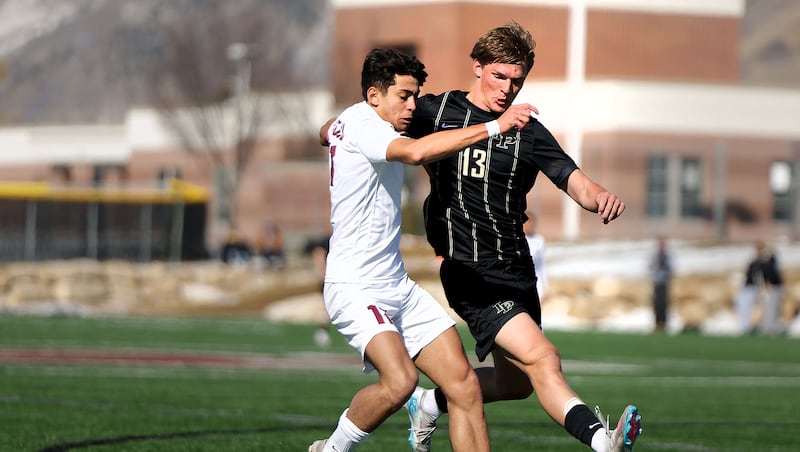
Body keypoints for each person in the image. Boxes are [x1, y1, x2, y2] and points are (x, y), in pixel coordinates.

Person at [403, 22, 642, 452]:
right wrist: (336, 129)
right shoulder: (436, 113)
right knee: (544, 357)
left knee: (516, 384)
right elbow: (377, 122)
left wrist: (599, 195)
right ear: (477, 66)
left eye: (517, 80)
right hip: (470, 272)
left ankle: (428, 402)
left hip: (516, 270)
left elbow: (572, 179)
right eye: (499, 76)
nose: (507, 89)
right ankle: (602, 441)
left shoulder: (527, 131)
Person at [308, 48, 537, 452]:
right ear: (374, 95)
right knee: (400, 382)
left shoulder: (356, 121)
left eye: (415, 95)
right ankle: (332, 449)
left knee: (464, 384)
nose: (413, 105)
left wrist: (330, 130)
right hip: (355, 288)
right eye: (404, 96)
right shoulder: (367, 126)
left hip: (396, 285)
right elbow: (415, 153)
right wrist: (494, 127)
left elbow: (327, 130)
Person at [735, 241, 784, 335]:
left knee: (771, 309)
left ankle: (770, 328)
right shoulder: (756, 262)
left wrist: (766, 284)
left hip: (771, 288)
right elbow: (755, 276)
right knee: (763, 309)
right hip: (756, 288)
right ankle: (757, 327)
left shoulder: (770, 260)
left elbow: (770, 275)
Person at [649, 236, 673, 333]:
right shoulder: (654, 255)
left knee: (664, 303)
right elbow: (650, 267)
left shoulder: (668, 256)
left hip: (664, 282)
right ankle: (657, 324)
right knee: (656, 303)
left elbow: (671, 268)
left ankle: (664, 324)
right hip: (656, 281)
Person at [523, 214, 548, 300]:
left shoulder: (538, 240)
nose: (530, 226)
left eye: (532, 224)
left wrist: (546, 286)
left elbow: (542, 264)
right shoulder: (516, 239)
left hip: (536, 282)